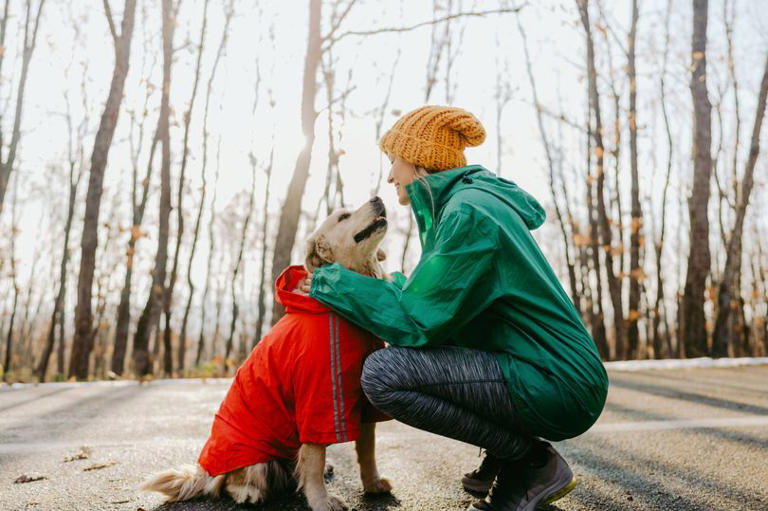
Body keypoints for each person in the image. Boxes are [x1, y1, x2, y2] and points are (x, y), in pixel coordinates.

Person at [300, 105, 608, 511]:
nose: (390, 175)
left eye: (394, 161)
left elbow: (417, 320)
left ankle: (529, 461)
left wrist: (330, 282)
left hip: (556, 381)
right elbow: (437, 301)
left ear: (419, 159)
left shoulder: (469, 213)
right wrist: (387, 284)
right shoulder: (465, 204)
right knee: (423, 354)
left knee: (383, 375)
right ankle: (508, 452)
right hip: (539, 368)